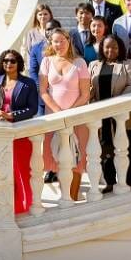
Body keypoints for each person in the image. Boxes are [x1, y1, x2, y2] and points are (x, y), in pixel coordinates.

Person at [38, 28, 91, 199]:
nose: (59, 44)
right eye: (56, 41)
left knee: (76, 159)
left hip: (76, 118)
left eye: (62, 40)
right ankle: (64, 197)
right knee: (57, 158)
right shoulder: (46, 62)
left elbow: (85, 94)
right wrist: (58, 112)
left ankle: (72, 198)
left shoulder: (80, 63)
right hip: (54, 118)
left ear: (69, 41)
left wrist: (69, 113)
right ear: (51, 44)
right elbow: (43, 91)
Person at [87, 35, 131, 192]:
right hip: (101, 115)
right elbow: (90, 88)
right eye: (107, 47)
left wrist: (116, 102)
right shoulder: (94, 65)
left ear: (120, 48)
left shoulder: (128, 64)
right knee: (105, 148)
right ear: (102, 48)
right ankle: (110, 181)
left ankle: (127, 179)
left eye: (114, 47)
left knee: (126, 147)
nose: (110, 50)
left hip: (122, 114)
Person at [0, 49, 40, 212]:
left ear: (19, 63)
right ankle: (6, 207)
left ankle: (24, 206)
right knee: (2, 172)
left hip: (20, 133)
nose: (9, 63)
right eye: (5, 60)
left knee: (22, 171)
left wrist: (11, 115)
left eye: (12, 61)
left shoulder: (28, 83)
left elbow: (32, 109)